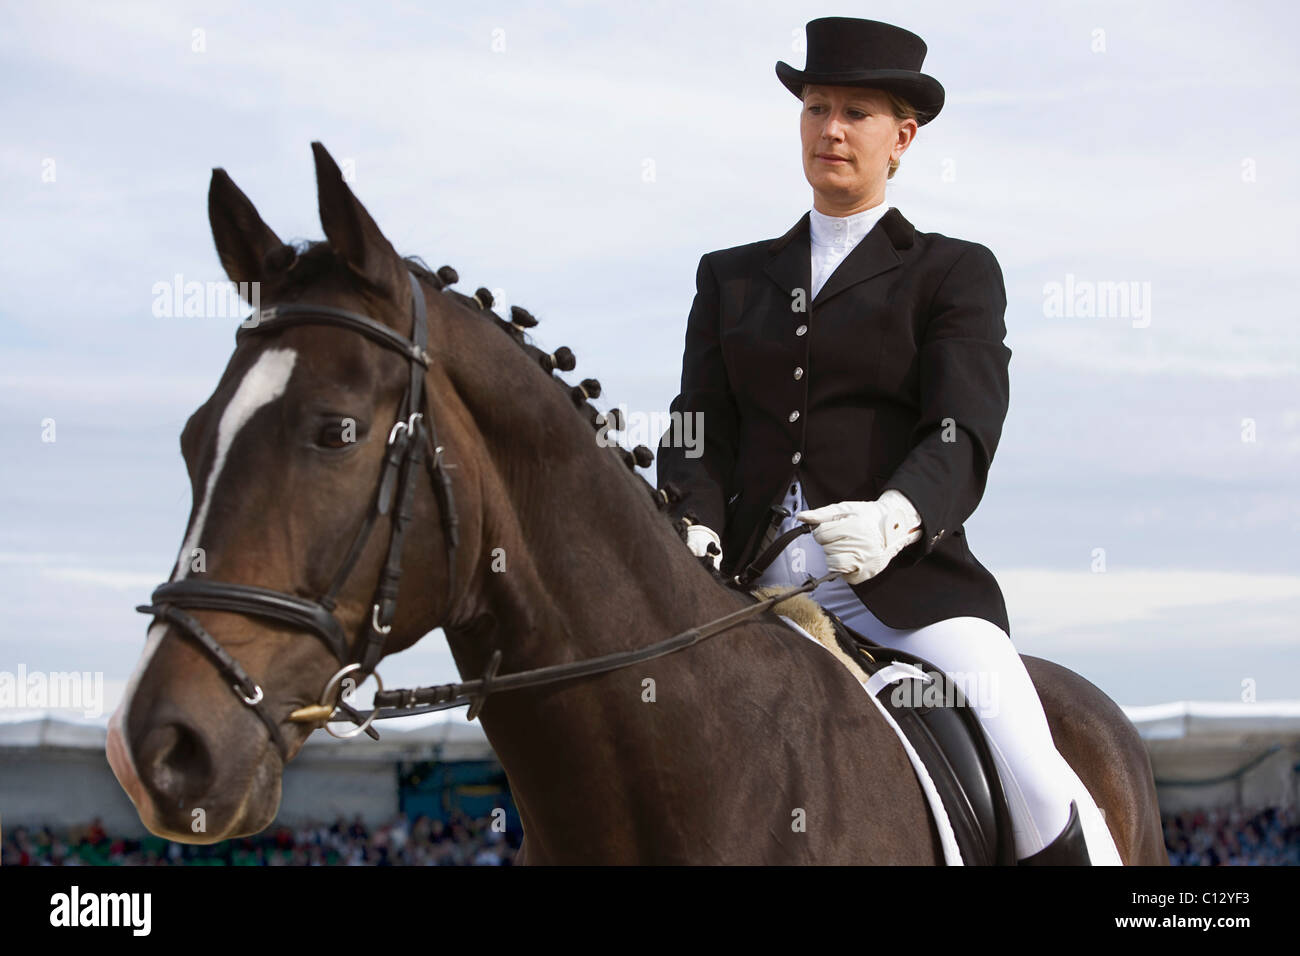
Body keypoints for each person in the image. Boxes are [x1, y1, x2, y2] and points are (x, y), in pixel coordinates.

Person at [656, 17, 1120, 865]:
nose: (830, 129)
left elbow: (965, 426)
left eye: (856, 113)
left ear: (902, 138)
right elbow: (697, 420)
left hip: (906, 589)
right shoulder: (731, 276)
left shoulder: (952, 271)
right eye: (816, 106)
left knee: (1030, 765)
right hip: (747, 581)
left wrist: (896, 517)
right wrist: (691, 516)